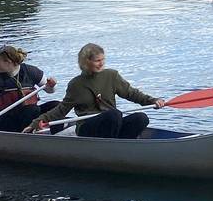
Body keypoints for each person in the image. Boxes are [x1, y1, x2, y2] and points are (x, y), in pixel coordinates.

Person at [24, 43, 164, 139]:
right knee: (114, 115)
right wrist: (36, 122)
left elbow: (132, 94)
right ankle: (111, 148)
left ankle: (123, 144)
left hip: (111, 123)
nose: (102, 63)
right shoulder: (76, 84)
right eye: (97, 60)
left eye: (103, 59)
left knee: (141, 117)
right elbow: (61, 110)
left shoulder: (112, 75)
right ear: (85, 62)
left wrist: (153, 100)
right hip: (87, 127)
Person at [0, 45, 60, 133]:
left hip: (29, 114)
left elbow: (50, 91)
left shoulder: (30, 71)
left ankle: (57, 134)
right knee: (33, 110)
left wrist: (52, 86)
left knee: (56, 105)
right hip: (6, 121)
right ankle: (27, 134)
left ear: (8, 62)